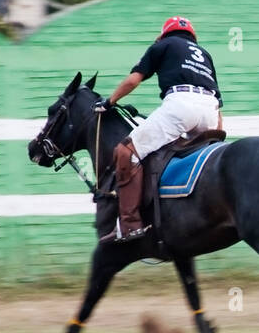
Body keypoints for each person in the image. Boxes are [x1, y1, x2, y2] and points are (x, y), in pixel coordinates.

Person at [95, 16, 223, 244]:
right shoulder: (205, 55)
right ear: (193, 36)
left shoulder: (162, 45)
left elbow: (133, 81)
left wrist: (109, 102)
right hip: (210, 112)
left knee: (127, 152)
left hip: (181, 105)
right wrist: (218, 139)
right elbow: (218, 104)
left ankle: (130, 224)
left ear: (164, 34)